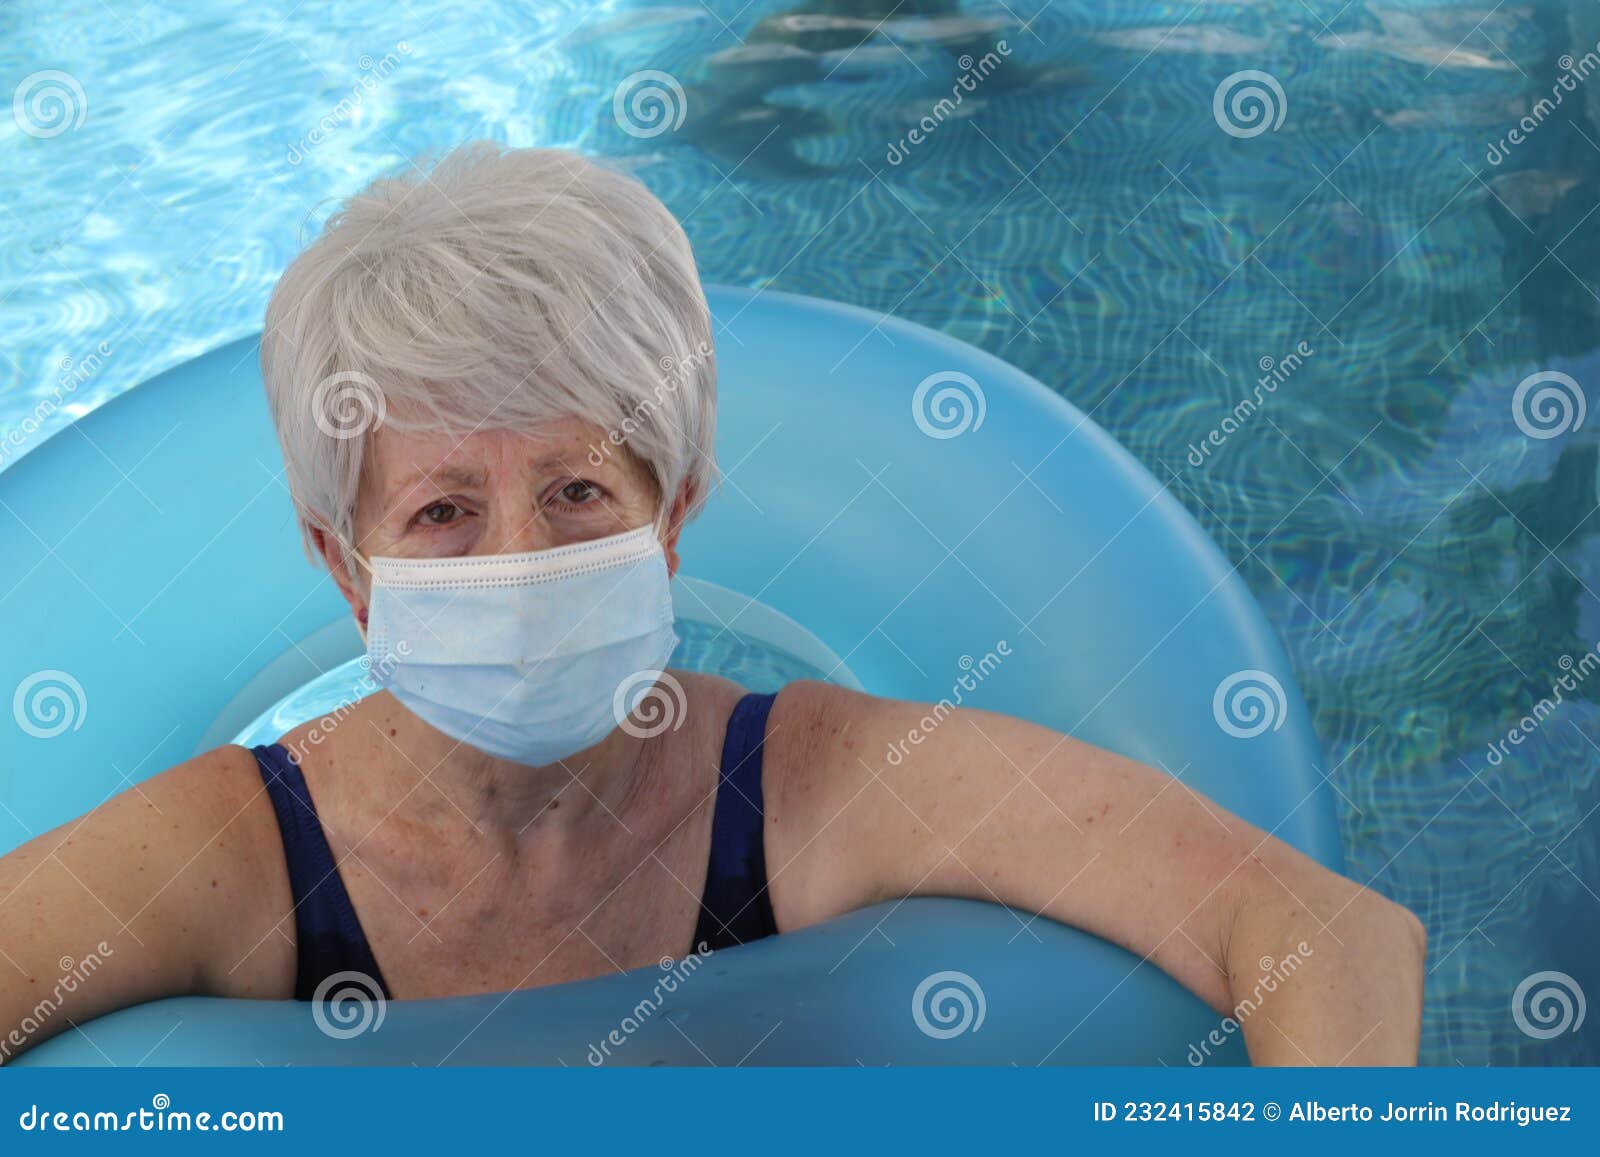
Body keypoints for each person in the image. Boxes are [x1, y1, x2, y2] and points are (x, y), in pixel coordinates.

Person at [0, 143, 1424, 1064]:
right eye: (442, 513)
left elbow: (1328, 930)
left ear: (674, 515)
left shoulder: (808, 788)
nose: (515, 562)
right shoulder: (240, 855)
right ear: (340, 563)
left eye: (576, 494)